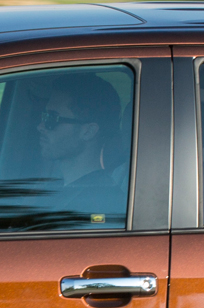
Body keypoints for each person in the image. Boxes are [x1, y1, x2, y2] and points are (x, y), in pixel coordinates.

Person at [31, 71, 130, 226]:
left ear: (88, 131)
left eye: (52, 118)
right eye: (44, 116)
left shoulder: (100, 205)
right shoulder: (55, 190)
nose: (40, 126)